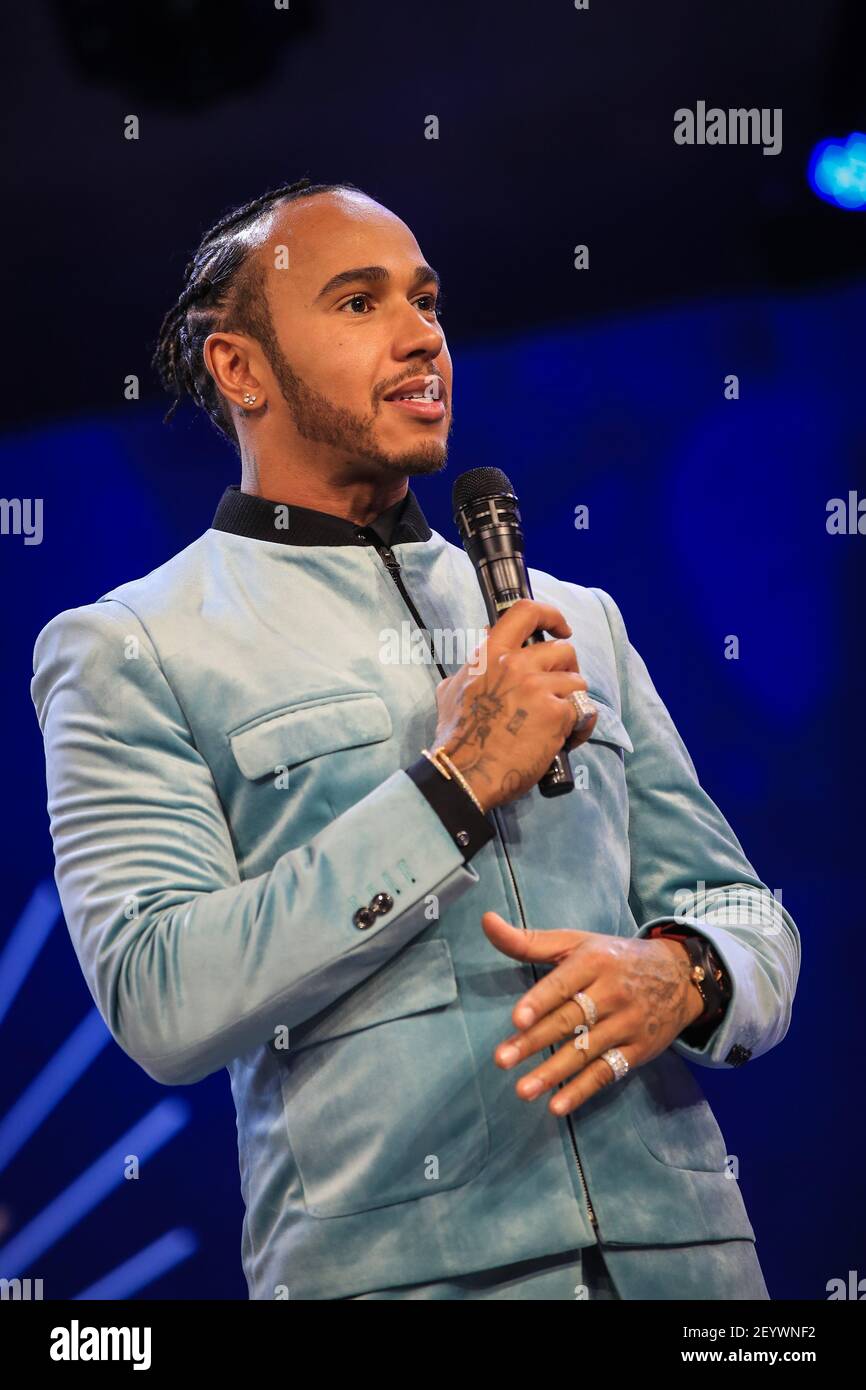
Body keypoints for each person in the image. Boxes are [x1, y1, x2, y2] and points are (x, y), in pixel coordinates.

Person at [31, 177, 799, 1300]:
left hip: (691, 1273)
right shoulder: (135, 645)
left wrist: (684, 971)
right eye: (357, 303)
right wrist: (453, 785)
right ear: (236, 365)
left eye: (427, 300)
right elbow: (162, 995)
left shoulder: (574, 614)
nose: (421, 336)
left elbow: (739, 904)